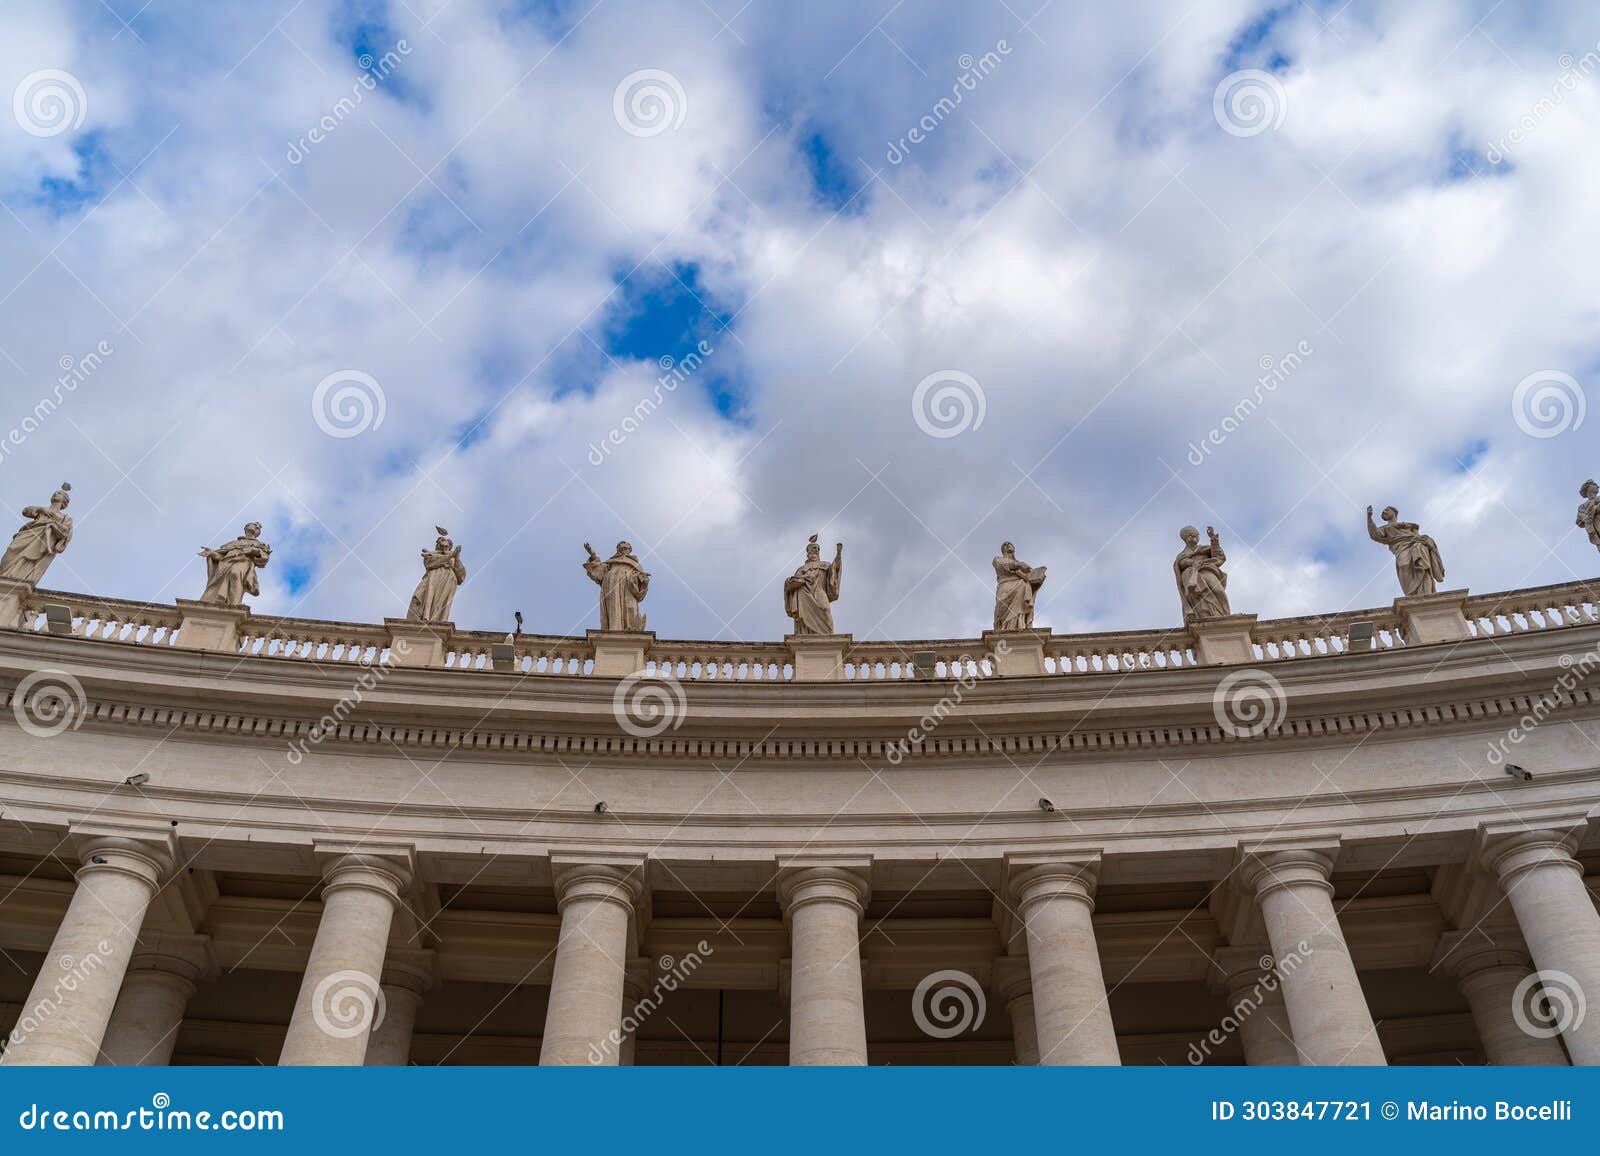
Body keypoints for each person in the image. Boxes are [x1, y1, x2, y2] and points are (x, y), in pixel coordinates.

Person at [0, 483, 72, 584]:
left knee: (28, 559)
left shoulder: (65, 517)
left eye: (59, 493)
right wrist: (40, 509)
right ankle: (4, 574)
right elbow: (26, 511)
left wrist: (53, 524)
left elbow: (66, 531)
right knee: (11, 551)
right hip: (28, 533)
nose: (56, 494)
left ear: (64, 501)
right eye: (55, 492)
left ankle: (16, 577)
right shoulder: (42, 509)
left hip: (44, 539)